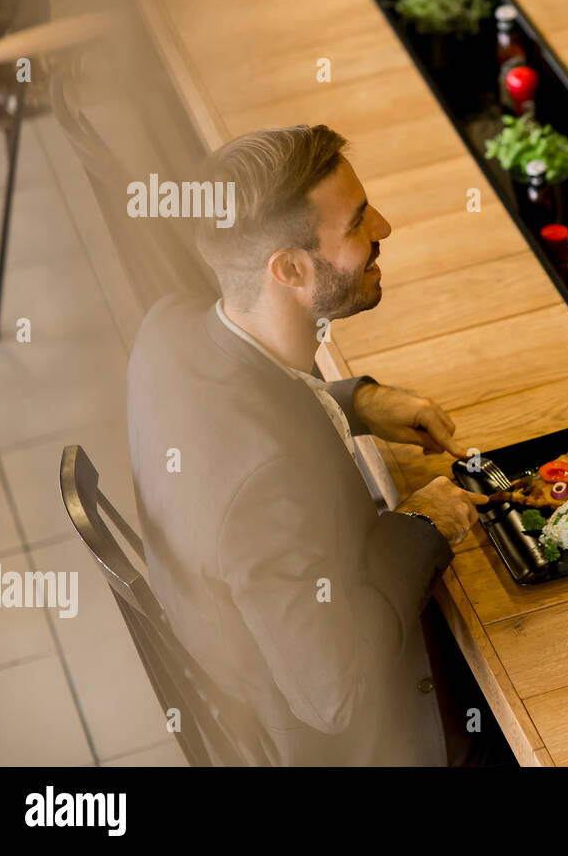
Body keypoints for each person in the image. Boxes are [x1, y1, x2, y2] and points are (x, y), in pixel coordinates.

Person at [127, 124, 501, 764]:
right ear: (290, 268)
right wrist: (421, 522)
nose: (384, 227)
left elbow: (249, 404)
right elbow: (337, 695)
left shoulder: (170, 328)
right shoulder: (264, 486)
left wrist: (356, 402)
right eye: (357, 223)